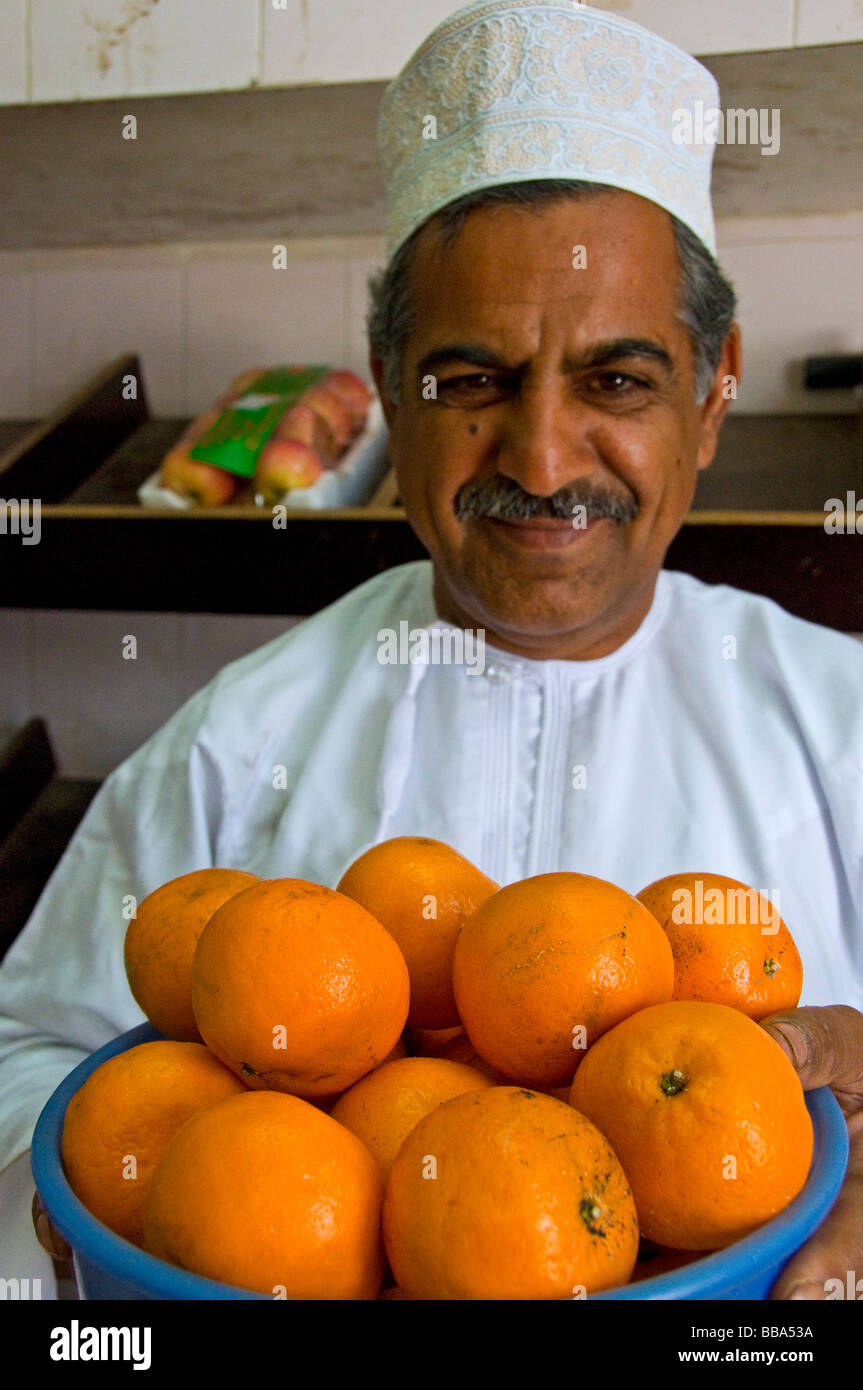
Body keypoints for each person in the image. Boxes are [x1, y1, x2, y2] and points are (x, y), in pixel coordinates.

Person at [4, 0, 862, 1299]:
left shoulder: (843, 720)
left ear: (714, 390)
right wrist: (94, 1217)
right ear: (388, 384)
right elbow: (33, 1052)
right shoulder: (242, 738)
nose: (544, 456)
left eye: (619, 380)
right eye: (471, 381)